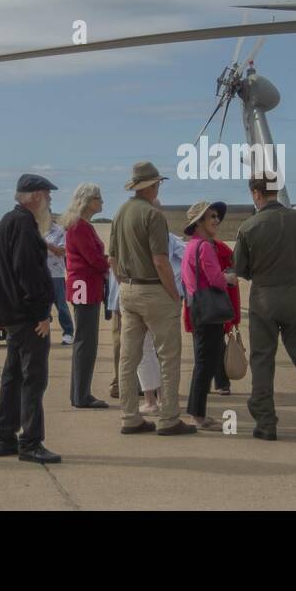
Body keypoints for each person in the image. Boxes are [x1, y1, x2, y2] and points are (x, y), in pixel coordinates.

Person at [234, 175, 296, 441]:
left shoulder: (248, 227)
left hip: (263, 299)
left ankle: (266, 424)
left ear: (256, 193)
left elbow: (241, 270)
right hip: (295, 297)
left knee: (263, 362)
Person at [109, 162, 196, 437]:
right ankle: (169, 417)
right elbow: (160, 261)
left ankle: (130, 416)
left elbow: (111, 258)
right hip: (153, 289)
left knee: (129, 357)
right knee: (169, 356)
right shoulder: (153, 215)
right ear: (152, 185)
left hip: (128, 289)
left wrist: (124, 281)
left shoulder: (121, 212)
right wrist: (173, 293)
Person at [0, 174, 61, 464]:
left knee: (14, 376)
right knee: (33, 379)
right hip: (27, 317)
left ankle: (5, 437)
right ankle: (30, 442)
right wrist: (41, 314)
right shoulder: (23, 224)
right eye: (47, 194)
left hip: (13, 314)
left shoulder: (9, 220)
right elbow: (28, 273)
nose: (50, 200)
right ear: (33, 196)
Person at [180, 200, 237, 431]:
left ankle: (197, 412)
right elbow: (215, 279)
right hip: (209, 310)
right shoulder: (205, 246)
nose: (216, 221)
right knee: (205, 363)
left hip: (196, 307)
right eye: (211, 217)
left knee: (203, 362)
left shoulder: (191, 246)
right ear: (199, 222)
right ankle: (197, 414)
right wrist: (229, 279)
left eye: (216, 217)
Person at [62, 183, 109, 408]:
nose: (102, 202)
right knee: (86, 341)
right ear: (88, 201)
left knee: (85, 340)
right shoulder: (80, 227)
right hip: (85, 286)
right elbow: (94, 259)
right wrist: (110, 263)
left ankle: (80, 392)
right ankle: (81, 394)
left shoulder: (79, 225)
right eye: (98, 198)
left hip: (83, 285)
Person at [44, 215, 75, 345]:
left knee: (61, 306)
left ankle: (68, 332)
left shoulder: (60, 231)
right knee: (42, 306)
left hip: (56, 274)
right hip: (39, 275)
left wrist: (45, 244)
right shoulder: (35, 230)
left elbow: (61, 252)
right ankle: (43, 334)